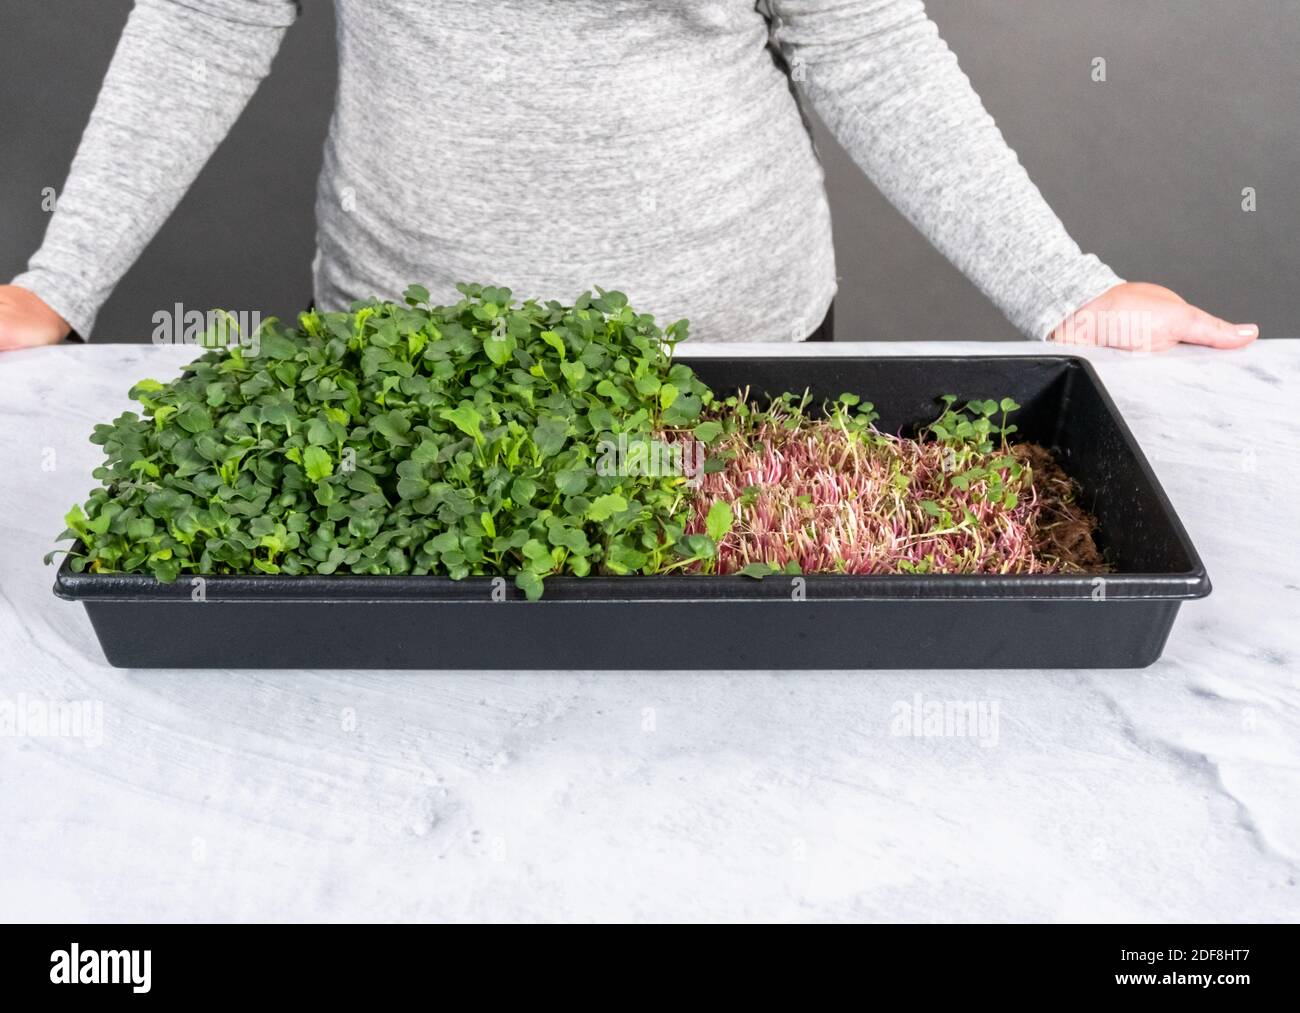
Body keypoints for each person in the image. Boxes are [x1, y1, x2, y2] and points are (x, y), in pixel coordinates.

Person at [0, 0, 1259, 353]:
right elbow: (208, 18)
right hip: (413, 350)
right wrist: (58, 283)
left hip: (736, 344)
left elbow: (858, 37)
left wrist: (1064, 288)